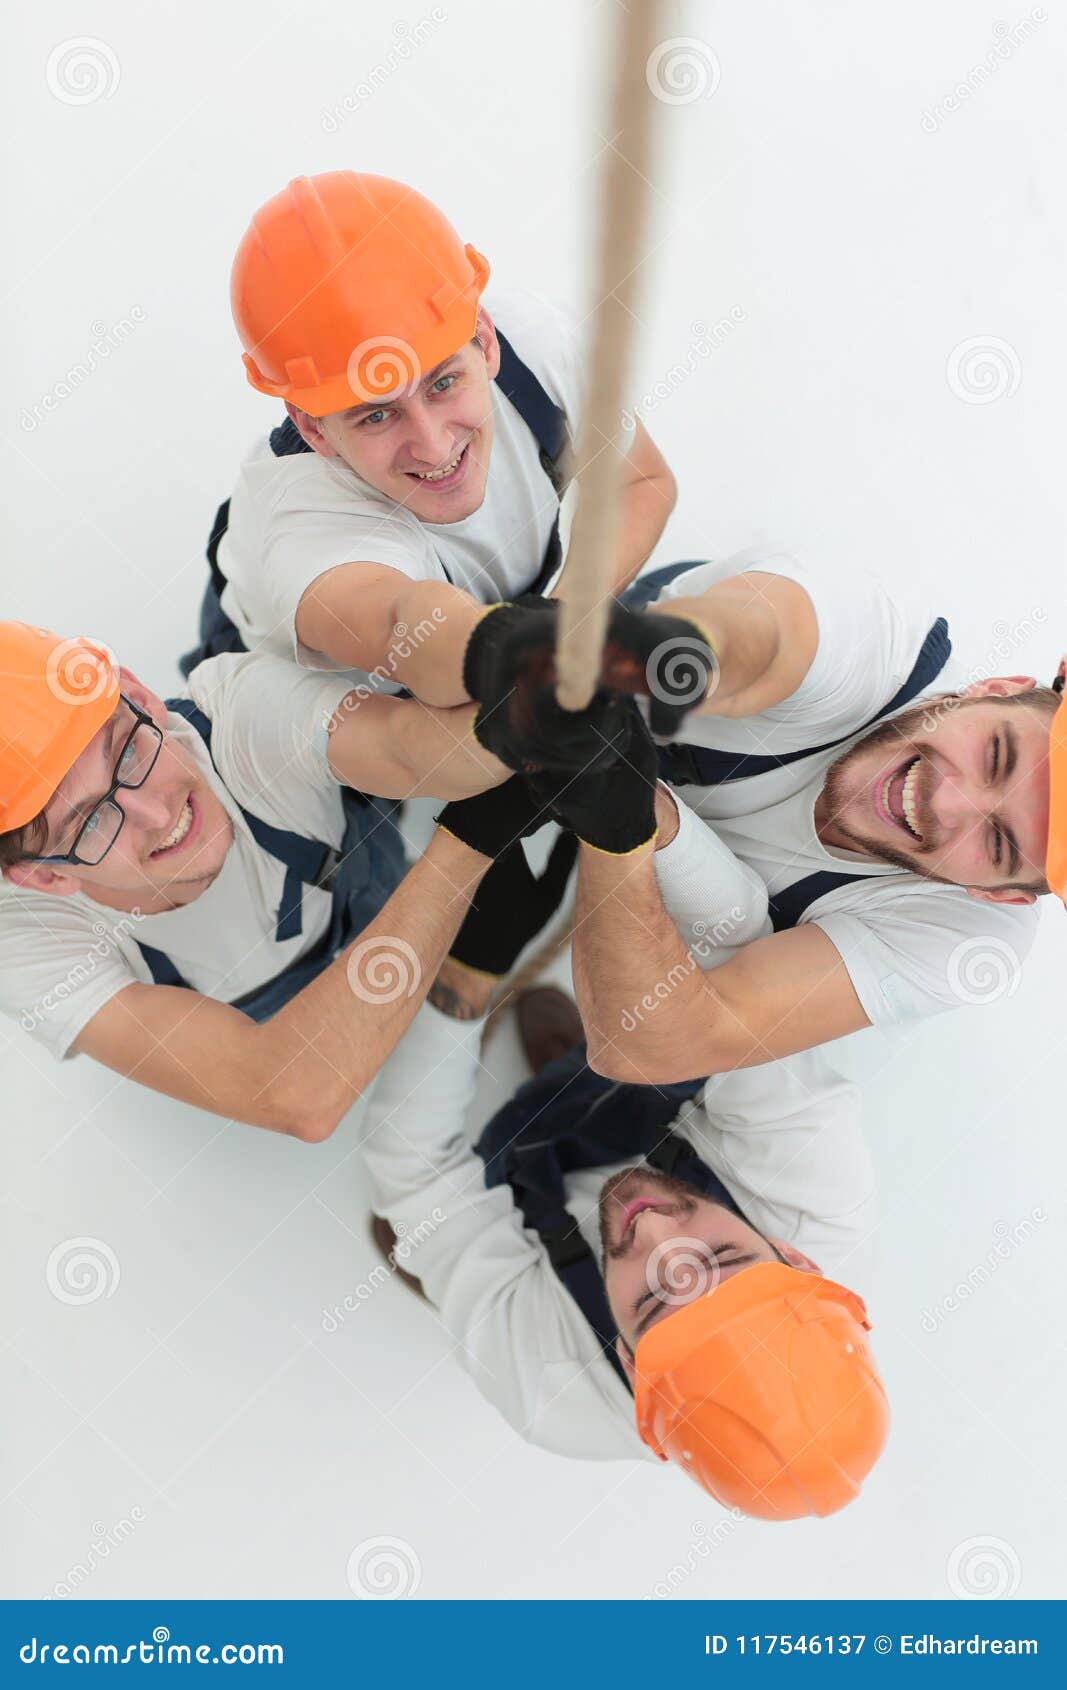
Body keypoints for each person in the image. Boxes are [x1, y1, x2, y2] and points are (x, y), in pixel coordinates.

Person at [358, 778, 887, 1520]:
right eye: (723, 1255)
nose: (654, 1228)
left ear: (630, 1361)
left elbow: (415, 1169)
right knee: (646, 1050)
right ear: (793, 1257)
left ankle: (461, 1262)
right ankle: (587, 1065)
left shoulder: (545, 1382)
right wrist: (636, 817)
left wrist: (469, 969)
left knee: (412, 1225)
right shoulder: (817, 1190)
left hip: (528, 1205)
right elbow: (739, 957)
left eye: (651, 1300)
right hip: (667, 1106)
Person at [0, 621, 586, 1136]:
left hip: (368, 875)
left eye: (126, 751)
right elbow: (295, 1095)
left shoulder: (237, 710)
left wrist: (537, 707)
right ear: (43, 878)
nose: (156, 814)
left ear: (138, 695)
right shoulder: (28, 941)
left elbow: (412, 747)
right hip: (277, 1023)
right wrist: (469, 851)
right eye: (91, 823)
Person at [493, 555, 1067, 1079]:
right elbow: (767, 636)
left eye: (997, 841)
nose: (945, 804)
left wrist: (625, 814)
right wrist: (685, 647)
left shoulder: (968, 941)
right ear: (991, 689)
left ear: (1001, 896)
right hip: (633, 683)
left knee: (734, 1055)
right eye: (996, 756)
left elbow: (643, 1047)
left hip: (655, 845)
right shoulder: (879, 643)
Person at [184, 172, 675, 732]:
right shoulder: (302, 522)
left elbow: (640, 483)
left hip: (502, 628)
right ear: (313, 428)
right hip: (318, 700)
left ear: (484, 340)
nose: (435, 444)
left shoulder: (535, 348)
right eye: (377, 415)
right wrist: (536, 656)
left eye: (443, 383)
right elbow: (406, 630)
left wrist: (562, 621)